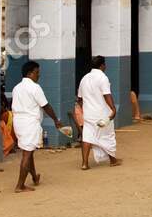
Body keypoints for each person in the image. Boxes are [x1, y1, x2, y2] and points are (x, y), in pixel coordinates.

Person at [11, 61, 66, 192]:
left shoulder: (16, 88)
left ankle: (35, 177)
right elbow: (45, 106)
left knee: (28, 151)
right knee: (27, 154)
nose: (38, 75)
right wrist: (55, 120)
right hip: (30, 122)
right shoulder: (35, 88)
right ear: (30, 73)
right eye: (37, 72)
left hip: (18, 121)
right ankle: (20, 185)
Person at [76, 56, 120, 170]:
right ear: (102, 65)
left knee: (87, 137)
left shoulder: (84, 78)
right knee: (108, 136)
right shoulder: (103, 78)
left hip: (89, 114)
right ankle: (113, 160)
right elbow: (107, 95)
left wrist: (84, 107)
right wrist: (113, 109)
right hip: (102, 113)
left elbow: (79, 99)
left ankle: (84, 163)